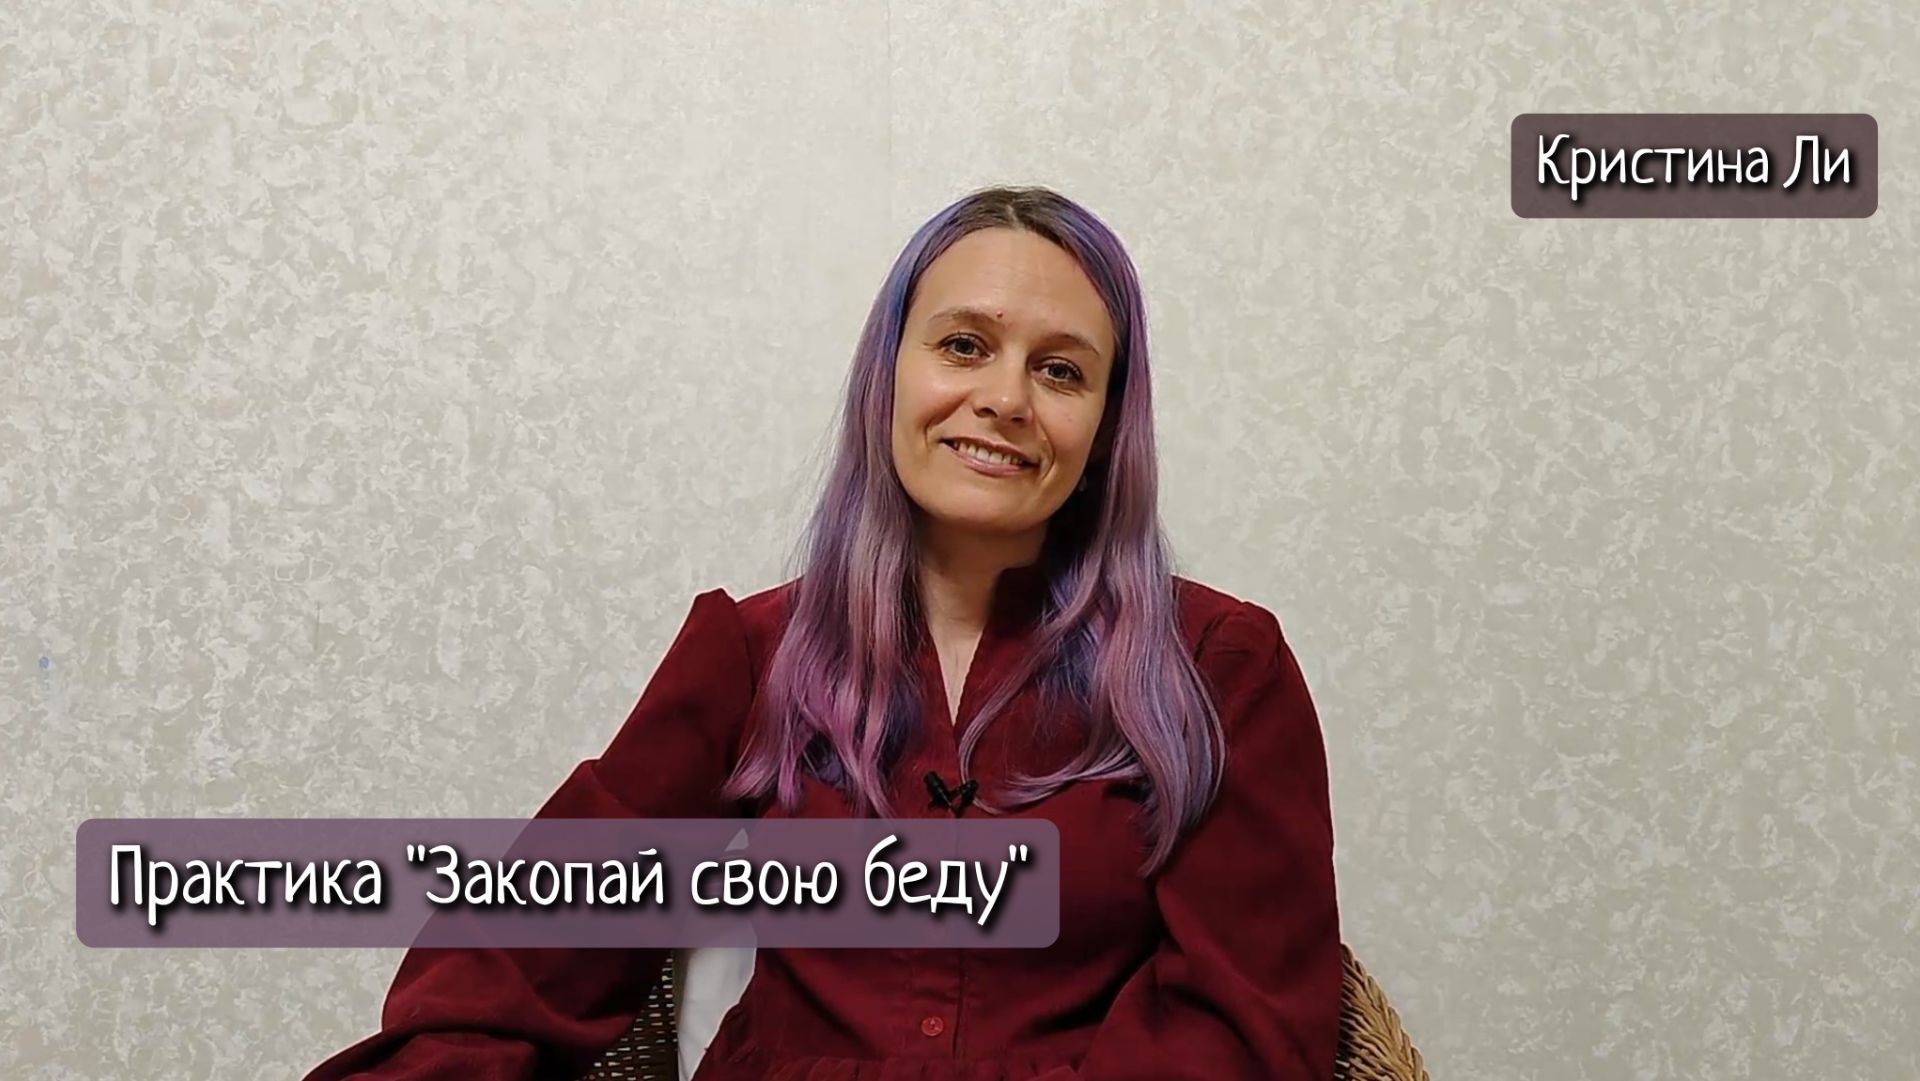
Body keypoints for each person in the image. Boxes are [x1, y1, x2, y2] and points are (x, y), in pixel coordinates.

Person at [302, 186, 1341, 1081]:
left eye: (1062, 371)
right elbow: (533, 935)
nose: (1005, 399)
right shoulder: (750, 652)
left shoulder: (1220, 668)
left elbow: (1245, 1026)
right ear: (889, 373)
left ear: (1108, 428)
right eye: (964, 345)